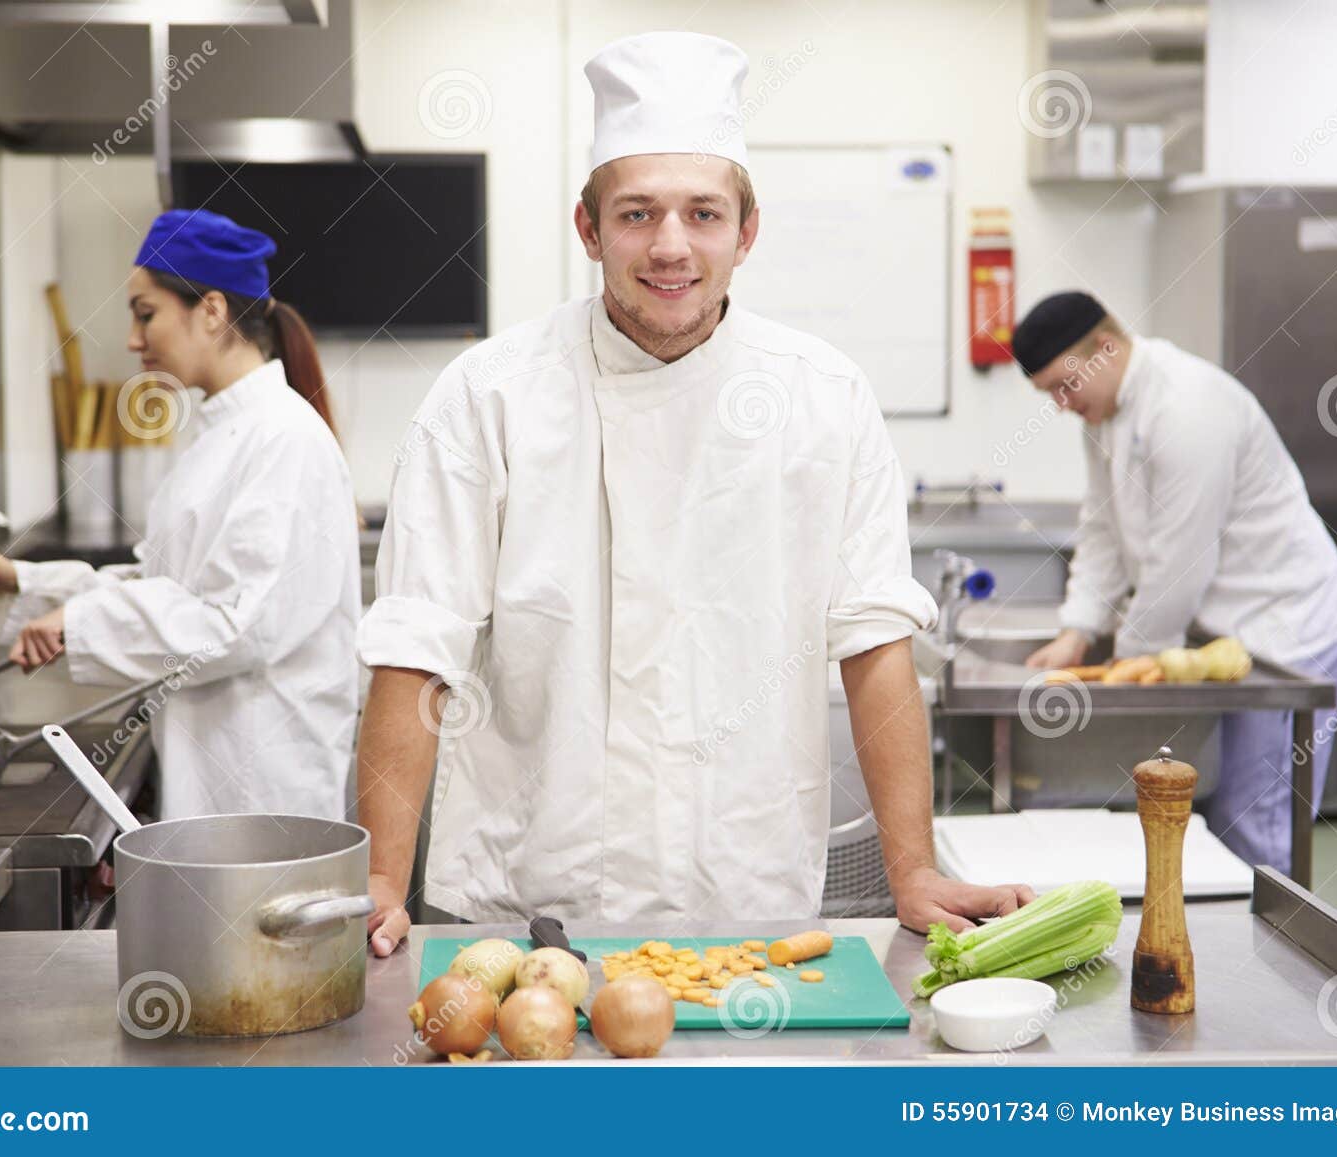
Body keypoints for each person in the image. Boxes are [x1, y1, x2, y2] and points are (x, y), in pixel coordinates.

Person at [357, 31, 1031, 956]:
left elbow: (874, 642)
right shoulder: (487, 399)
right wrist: (382, 882)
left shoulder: (823, 399)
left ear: (745, 232)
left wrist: (910, 869)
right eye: (637, 214)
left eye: (702, 214)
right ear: (588, 228)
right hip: (523, 911)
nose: (670, 246)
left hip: (746, 898)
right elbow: (414, 653)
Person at [0, 208, 362, 821]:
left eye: (145, 314)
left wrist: (77, 623)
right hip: (219, 780)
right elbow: (169, 589)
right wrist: (26, 583)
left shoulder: (281, 439)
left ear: (211, 311)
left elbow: (236, 627)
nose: (134, 340)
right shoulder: (220, 436)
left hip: (265, 795)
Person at [1015, 290, 1337, 872]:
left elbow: (1182, 563)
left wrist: (1131, 665)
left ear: (1104, 347)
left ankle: (1261, 959)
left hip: (1285, 632)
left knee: (1256, 827)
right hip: (1222, 638)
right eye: (1049, 392)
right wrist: (1076, 632)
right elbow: (1100, 531)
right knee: (1219, 822)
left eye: (1063, 385)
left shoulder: (1188, 407)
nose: (1060, 404)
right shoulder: (1106, 414)